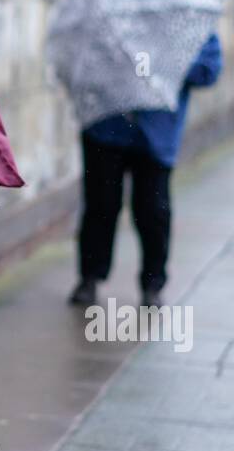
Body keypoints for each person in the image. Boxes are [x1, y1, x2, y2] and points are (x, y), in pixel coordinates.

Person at [70, 33, 223, 308]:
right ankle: (89, 277)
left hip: (157, 132)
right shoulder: (105, 7)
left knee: (154, 210)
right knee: (100, 205)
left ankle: (153, 284)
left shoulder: (185, 12)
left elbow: (209, 70)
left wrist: (163, 62)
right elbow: (81, 58)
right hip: (105, 125)